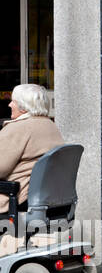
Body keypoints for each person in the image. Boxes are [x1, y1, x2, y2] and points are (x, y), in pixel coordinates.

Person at [0, 84, 64, 215]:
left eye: (14, 101)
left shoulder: (18, 128)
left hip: (16, 197)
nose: (9, 105)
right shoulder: (51, 126)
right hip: (47, 197)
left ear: (23, 107)